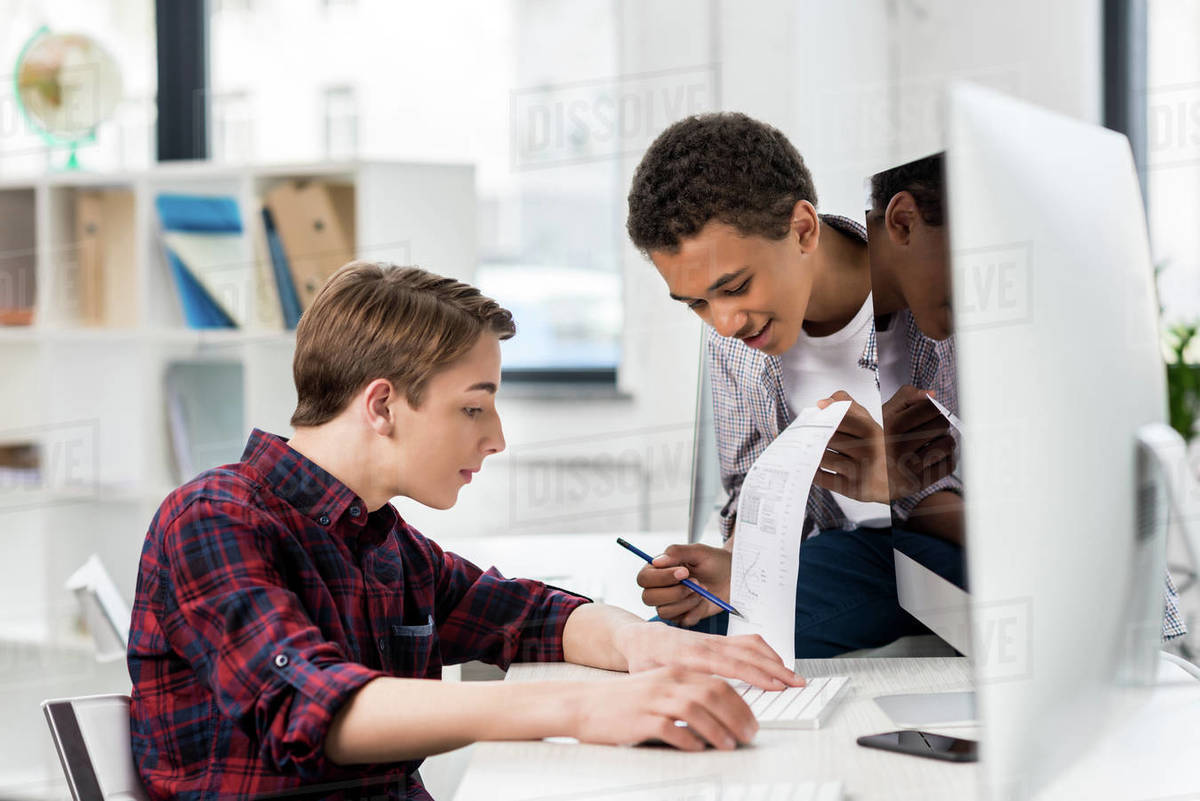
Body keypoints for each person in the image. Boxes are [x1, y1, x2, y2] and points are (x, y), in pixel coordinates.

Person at [126, 262, 803, 801]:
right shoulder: (213, 518)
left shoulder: (386, 541)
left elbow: (530, 615)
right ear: (383, 404)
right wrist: (582, 708)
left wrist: (646, 642)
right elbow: (321, 709)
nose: (497, 437)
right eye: (473, 406)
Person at [625, 113, 964, 656]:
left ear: (802, 229)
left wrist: (903, 491)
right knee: (691, 638)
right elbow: (751, 488)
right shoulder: (733, 345)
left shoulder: (941, 285)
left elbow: (1019, 498)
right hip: (854, 560)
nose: (725, 322)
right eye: (697, 304)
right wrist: (739, 561)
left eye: (735, 287)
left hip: (962, 544)